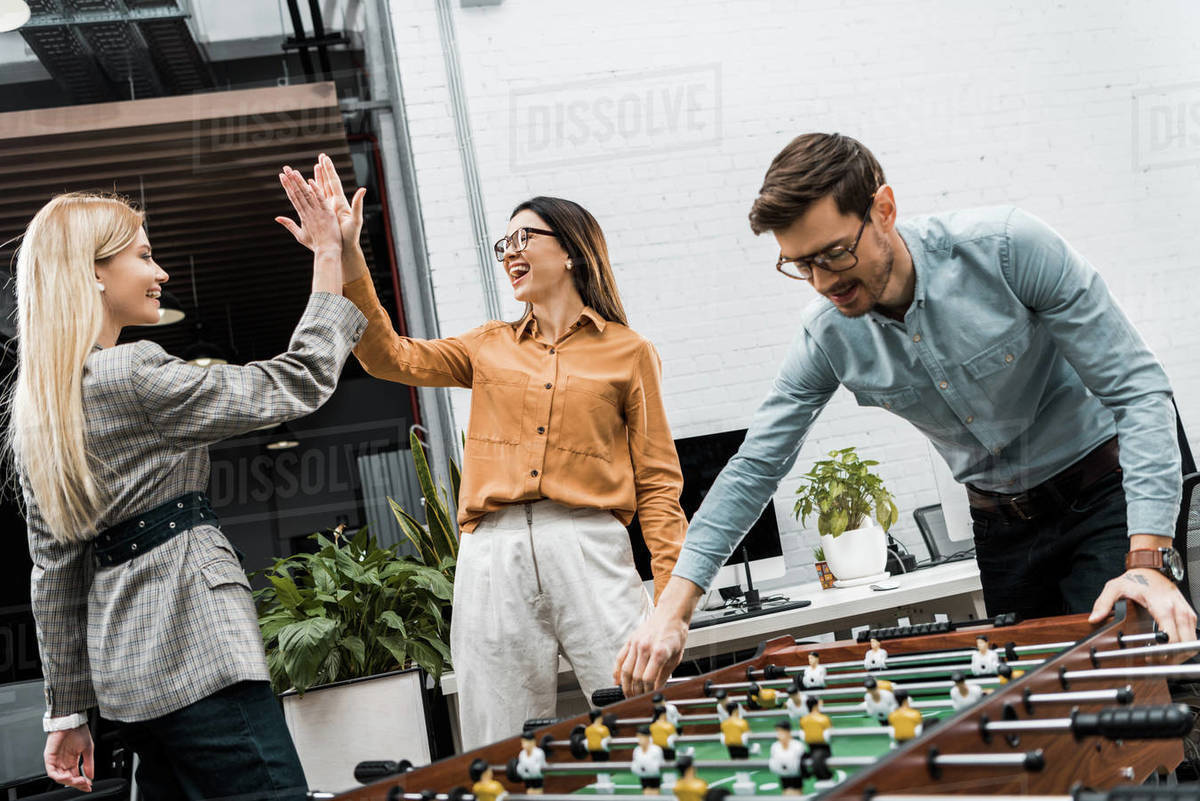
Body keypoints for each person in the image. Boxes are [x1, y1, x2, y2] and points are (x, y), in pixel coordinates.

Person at [614, 132, 1195, 696]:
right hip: (1002, 529)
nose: (823, 282)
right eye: (800, 265)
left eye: (836, 253)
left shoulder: (1009, 249)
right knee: (1036, 710)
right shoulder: (827, 338)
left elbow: (1138, 391)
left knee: (1121, 696)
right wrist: (673, 612)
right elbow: (754, 468)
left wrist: (1147, 560)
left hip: (1102, 498)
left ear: (884, 209)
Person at [281, 155, 687, 747]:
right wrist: (348, 252)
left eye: (525, 236)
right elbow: (388, 357)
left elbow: (657, 481)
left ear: (572, 250)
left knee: (642, 715)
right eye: (505, 243)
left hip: (588, 542)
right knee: (498, 737)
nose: (511, 252)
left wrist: (670, 600)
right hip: (491, 553)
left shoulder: (628, 352)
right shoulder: (488, 345)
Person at [7, 177, 365, 797]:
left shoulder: (39, 408)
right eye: (143, 255)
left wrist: (66, 713)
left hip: (129, 679)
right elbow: (299, 380)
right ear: (92, 273)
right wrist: (329, 256)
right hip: (199, 649)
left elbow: (54, 572)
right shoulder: (131, 373)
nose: (162, 273)